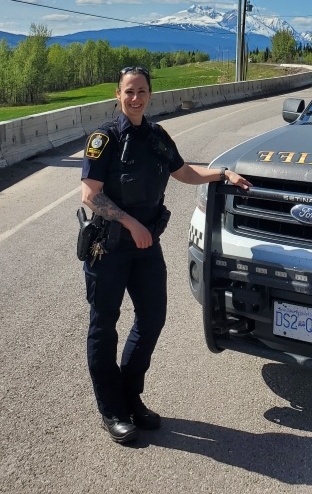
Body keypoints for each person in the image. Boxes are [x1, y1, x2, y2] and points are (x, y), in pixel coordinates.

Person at [80, 65, 251, 444]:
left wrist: (222, 174)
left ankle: (130, 397)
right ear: (117, 94)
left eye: (141, 91)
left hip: (145, 248)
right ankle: (111, 409)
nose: (135, 98)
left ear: (150, 94)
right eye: (129, 91)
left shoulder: (157, 136)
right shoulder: (104, 139)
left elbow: (183, 172)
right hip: (109, 247)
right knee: (104, 326)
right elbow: (90, 194)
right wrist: (131, 223)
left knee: (152, 318)